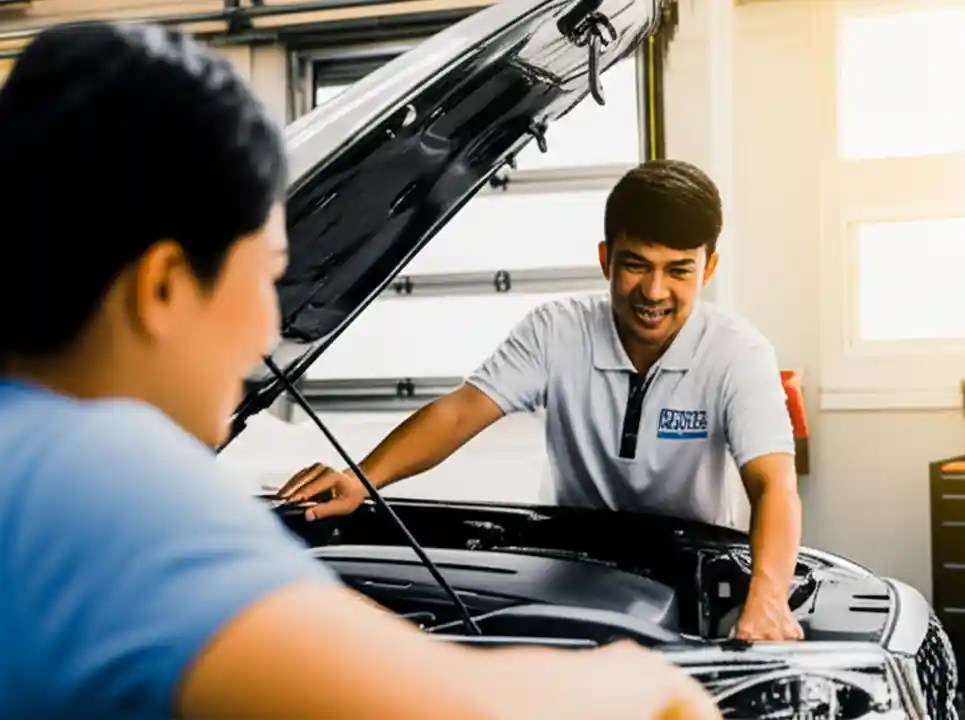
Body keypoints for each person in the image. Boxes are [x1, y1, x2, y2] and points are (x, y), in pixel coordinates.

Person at [0, 21, 721, 720]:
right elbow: (469, 712)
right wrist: (643, 679)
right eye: (269, 276)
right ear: (162, 289)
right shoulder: (108, 490)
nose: (270, 327)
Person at [278, 159, 806, 642]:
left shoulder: (739, 353)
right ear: (605, 260)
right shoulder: (556, 331)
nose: (653, 290)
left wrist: (766, 595)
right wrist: (360, 478)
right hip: (572, 561)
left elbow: (774, 482)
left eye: (678, 270)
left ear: (708, 269)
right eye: (636, 264)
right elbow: (460, 412)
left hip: (692, 567)